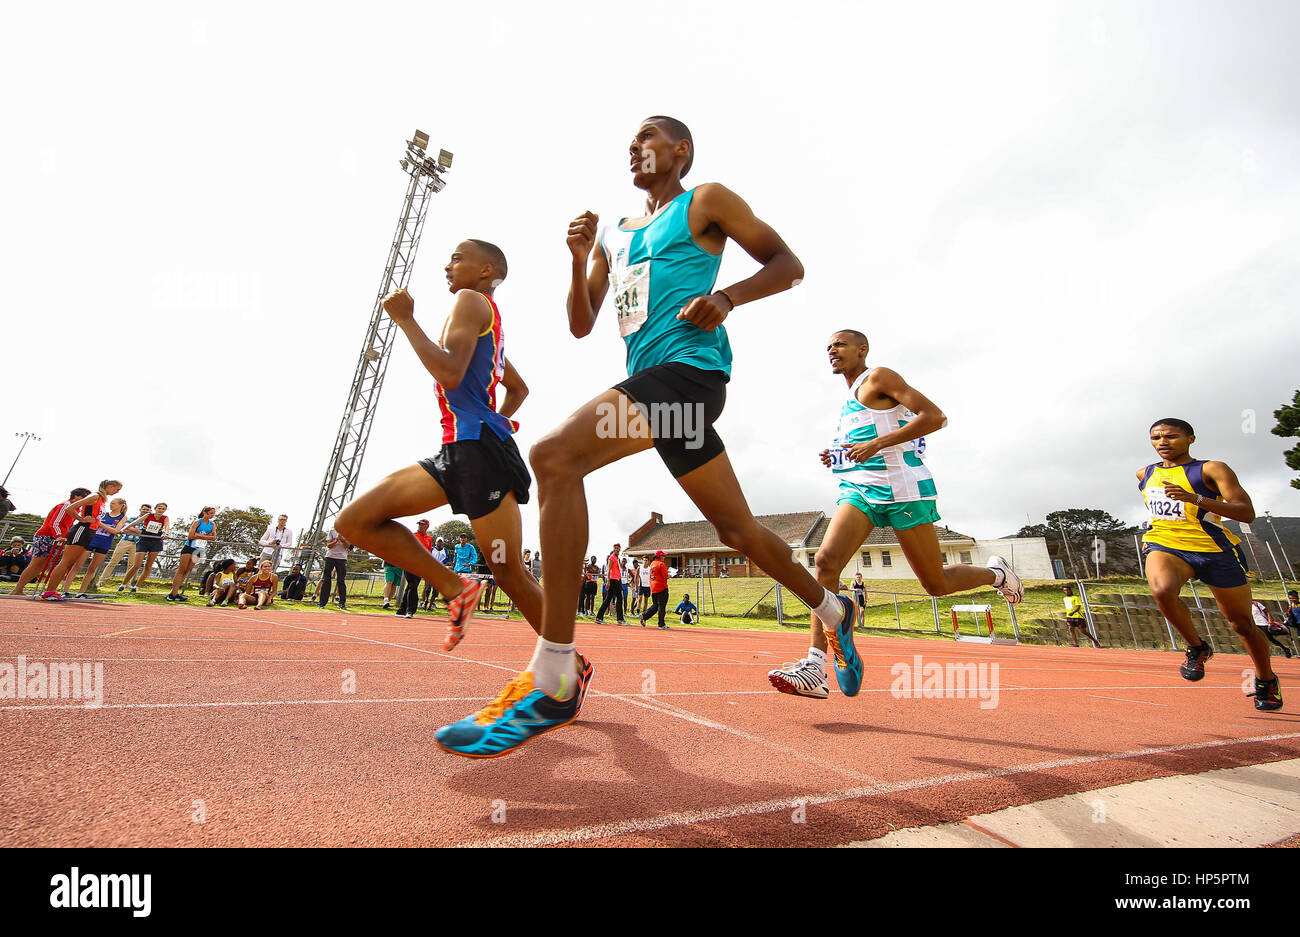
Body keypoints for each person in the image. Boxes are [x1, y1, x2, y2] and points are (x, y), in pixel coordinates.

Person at [768, 332, 1022, 699]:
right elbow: (868, 441)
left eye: (840, 344)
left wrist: (875, 444)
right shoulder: (847, 402)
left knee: (935, 584)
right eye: (828, 347)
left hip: (902, 490)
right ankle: (814, 667)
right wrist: (838, 455)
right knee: (825, 562)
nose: (832, 350)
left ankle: (996, 574)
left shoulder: (880, 377)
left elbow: (935, 417)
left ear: (862, 349)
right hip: (860, 491)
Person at [335, 239, 542, 656]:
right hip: (456, 452)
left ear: (486, 271)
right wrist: (492, 416)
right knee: (354, 522)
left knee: (509, 573)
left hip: (481, 453)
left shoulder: (470, 300)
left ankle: (568, 664)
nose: (448, 266)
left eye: (457, 258)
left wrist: (406, 320)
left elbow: (449, 373)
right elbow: (516, 388)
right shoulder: (491, 324)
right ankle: (453, 586)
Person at [1137, 418, 1281, 710]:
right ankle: (1197, 647)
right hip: (1167, 544)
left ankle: (1267, 680)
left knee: (1241, 624)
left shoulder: (1212, 469)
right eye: (1156, 437)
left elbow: (1246, 512)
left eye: (1171, 436)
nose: (1162, 442)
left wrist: (1195, 498)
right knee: (1162, 590)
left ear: (1191, 438)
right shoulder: (1145, 473)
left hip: (1215, 550)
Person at [40, 481, 124, 601]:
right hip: (82, 530)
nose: (117, 492)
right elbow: (70, 508)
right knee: (66, 562)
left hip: (89, 532)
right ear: (110, 487)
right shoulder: (95, 496)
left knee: (69, 562)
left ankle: (52, 591)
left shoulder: (102, 500)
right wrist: (81, 519)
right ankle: (49, 592)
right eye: (117, 489)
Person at [10, 488, 94, 595]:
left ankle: (19, 589)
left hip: (56, 538)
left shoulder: (76, 510)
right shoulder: (65, 505)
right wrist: (58, 535)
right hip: (46, 535)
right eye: (84, 498)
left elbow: (67, 525)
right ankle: (18, 589)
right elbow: (54, 522)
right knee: (36, 564)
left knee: (42, 565)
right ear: (77, 497)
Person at [73, 497, 130, 597]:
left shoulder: (123, 517)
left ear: (120, 505)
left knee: (92, 569)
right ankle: (65, 590)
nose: (111, 505)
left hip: (104, 544)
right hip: (91, 540)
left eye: (113, 503)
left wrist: (99, 523)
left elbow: (115, 531)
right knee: (77, 565)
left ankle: (81, 592)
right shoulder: (104, 514)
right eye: (111, 503)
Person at [166, 506, 217, 601]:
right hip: (189, 548)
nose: (212, 515)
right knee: (182, 569)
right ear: (205, 513)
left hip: (199, 549)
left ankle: (175, 593)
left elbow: (214, 537)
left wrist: (199, 536)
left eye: (214, 513)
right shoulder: (197, 522)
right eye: (211, 513)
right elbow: (191, 536)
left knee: (187, 570)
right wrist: (205, 536)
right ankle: (173, 594)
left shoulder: (212, 524)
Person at [118, 502, 170, 593]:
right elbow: (136, 522)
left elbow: (167, 526)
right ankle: (123, 584)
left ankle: (136, 586)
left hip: (156, 541)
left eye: (163, 509)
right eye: (159, 508)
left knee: (148, 565)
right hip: (144, 540)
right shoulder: (148, 515)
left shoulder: (165, 518)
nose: (161, 510)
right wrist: (125, 528)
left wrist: (166, 533)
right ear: (155, 508)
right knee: (137, 564)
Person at [95, 502, 149, 587]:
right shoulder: (132, 519)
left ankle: (127, 583)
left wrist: (135, 530)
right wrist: (139, 532)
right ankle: (102, 581)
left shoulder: (148, 523)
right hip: (125, 540)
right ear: (140, 509)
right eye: (144, 509)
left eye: (147, 510)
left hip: (138, 544)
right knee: (113, 561)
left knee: (132, 565)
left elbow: (146, 533)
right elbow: (125, 529)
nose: (145, 511)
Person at [396, 520, 434, 619]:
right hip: (410, 563)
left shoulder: (429, 538)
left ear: (427, 526)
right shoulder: (413, 535)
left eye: (422, 525)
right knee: (412, 585)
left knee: (411, 586)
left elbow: (428, 551)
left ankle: (401, 610)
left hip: (421, 565)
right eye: (419, 524)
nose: (420, 526)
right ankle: (411, 610)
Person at [594, 542, 627, 624]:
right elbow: (608, 569)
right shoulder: (612, 557)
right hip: (613, 580)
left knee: (609, 598)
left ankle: (599, 617)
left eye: (618, 548)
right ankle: (620, 619)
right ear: (613, 549)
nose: (616, 549)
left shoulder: (616, 558)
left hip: (617, 579)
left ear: (620, 549)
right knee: (619, 598)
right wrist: (608, 581)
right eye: (615, 548)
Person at [318, 528, 351, 610]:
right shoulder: (332, 531)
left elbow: (349, 546)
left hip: (342, 558)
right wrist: (336, 540)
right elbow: (329, 545)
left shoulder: (349, 531)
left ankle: (342, 602)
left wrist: (343, 540)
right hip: (330, 557)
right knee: (326, 579)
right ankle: (322, 602)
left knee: (341, 580)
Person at [639, 550, 672, 628]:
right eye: (663, 556)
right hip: (661, 587)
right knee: (662, 606)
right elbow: (665, 576)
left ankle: (644, 616)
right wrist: (669, 576)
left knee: (655, 605)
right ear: (660, 556)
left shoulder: (652, 564)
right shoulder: (661, 564)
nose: (664, 557)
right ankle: (661, 624)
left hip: (653, 587)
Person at [1062, 584, 1101, 648]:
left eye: (1067, 590)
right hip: (1069, 616)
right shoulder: (1065, 598)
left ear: (1070, 590)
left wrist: (1073, 612)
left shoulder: (1075, 598)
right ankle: (1075, 643)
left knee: (1083, 631)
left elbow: (1078, 607)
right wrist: (1069, 614)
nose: (1066, 592)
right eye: (1064, 591)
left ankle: (1095, 641)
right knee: (1071, 629)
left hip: (1078, 616)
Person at [422, 537, 449, 610]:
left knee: (435, 590)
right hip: (431, 570)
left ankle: (430, 606)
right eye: (438, 542)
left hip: (439, 571)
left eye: (441, 542)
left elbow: (447, 559)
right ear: (436, 542)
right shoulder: (432, 549)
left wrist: (441, 563)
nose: (439, 543)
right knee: (428, 588)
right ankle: (425, 601)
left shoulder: (445, 550)